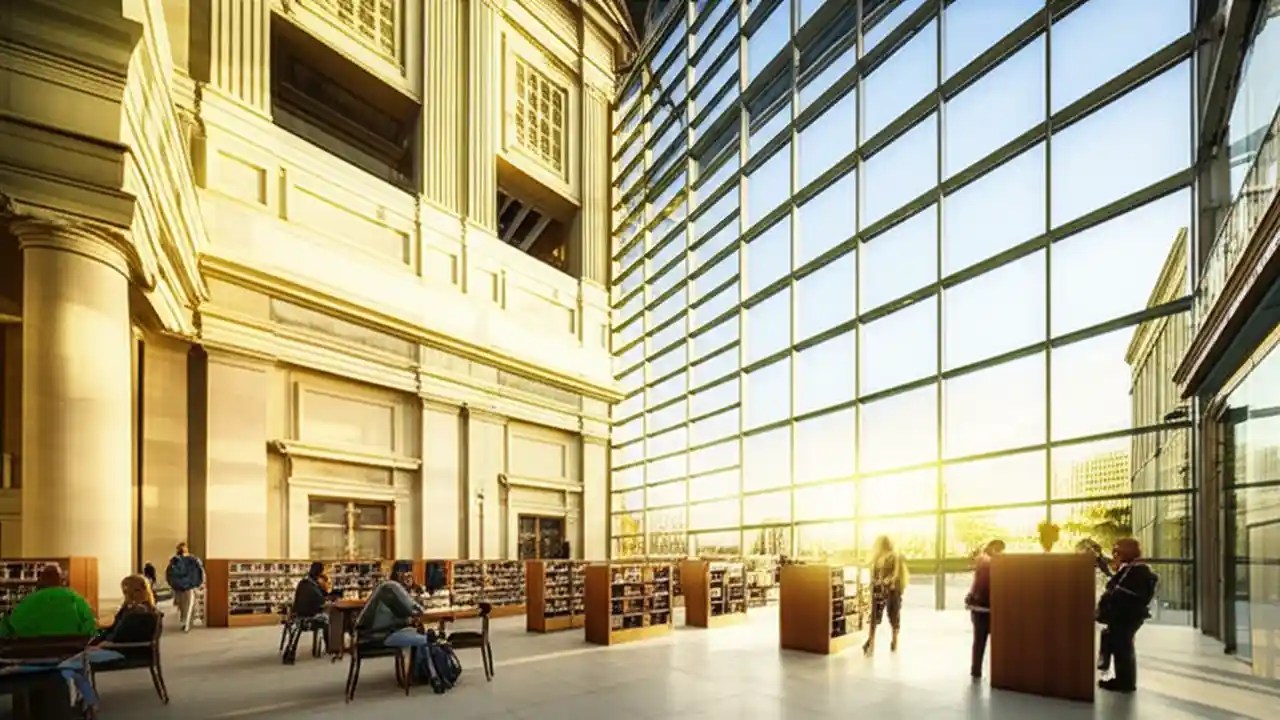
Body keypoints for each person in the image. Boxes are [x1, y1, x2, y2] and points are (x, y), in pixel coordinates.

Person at [1096, 538, 1158, 693]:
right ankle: (1124, 680)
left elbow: (1117, 588)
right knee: (1123, 647)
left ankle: (1124, 683)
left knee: (1122, 647)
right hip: (1131, 614)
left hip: (1126, 614)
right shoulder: (1137, 568)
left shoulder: (1135, 570)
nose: (1115, 555)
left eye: (1117, 552)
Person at [0, 564, 97, 638]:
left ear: (40, 580)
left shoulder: (28, 602)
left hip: (32, 654)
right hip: (71, 653)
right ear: (60, 580)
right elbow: (90, 627)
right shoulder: (75, 598)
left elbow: (9, 628)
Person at [965, 539, 1006, 678]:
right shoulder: (988, 562)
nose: (1001, 554)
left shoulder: (981, 560)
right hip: (984, 606)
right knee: (985, 640)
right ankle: (994, 672)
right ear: (993, 549)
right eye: (999, 550)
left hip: (978, 606)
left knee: (979, 640)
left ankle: (976, 670)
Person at [863, 535, 908, 656]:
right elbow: (874, 572)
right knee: (874, 616)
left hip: (891, 591)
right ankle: (871, 641)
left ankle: (894, 639)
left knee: (892, 614)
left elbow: (896, 573)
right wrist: (875, 582)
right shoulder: (877, 557)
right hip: (878, 589)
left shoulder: (894, 556)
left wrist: (887, 581)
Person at [354, 576, 425, 651]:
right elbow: (414, 609)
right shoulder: (392, 587)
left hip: (372, 634)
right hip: (379, 636)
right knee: (426, 640)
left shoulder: (386, 587)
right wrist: (420, 612)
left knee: (419, 635)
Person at [283, 562, 333, 664]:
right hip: (309, 618)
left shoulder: (303, 582)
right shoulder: (313, 585)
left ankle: (328, 647)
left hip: (298, 617)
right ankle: (330, 647)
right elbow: (321, 602)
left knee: (325, 617)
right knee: (329, 620)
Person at [165, 541, 205, 633]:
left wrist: (173, 584)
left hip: (179, 587)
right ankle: (186, 622)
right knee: (189, 605)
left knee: (182, 605)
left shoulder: (174, 561)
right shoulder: (193, 560)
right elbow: (199, 572)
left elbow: (169, 574)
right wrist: (199, 583)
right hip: (189, 586)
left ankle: (184, 621)